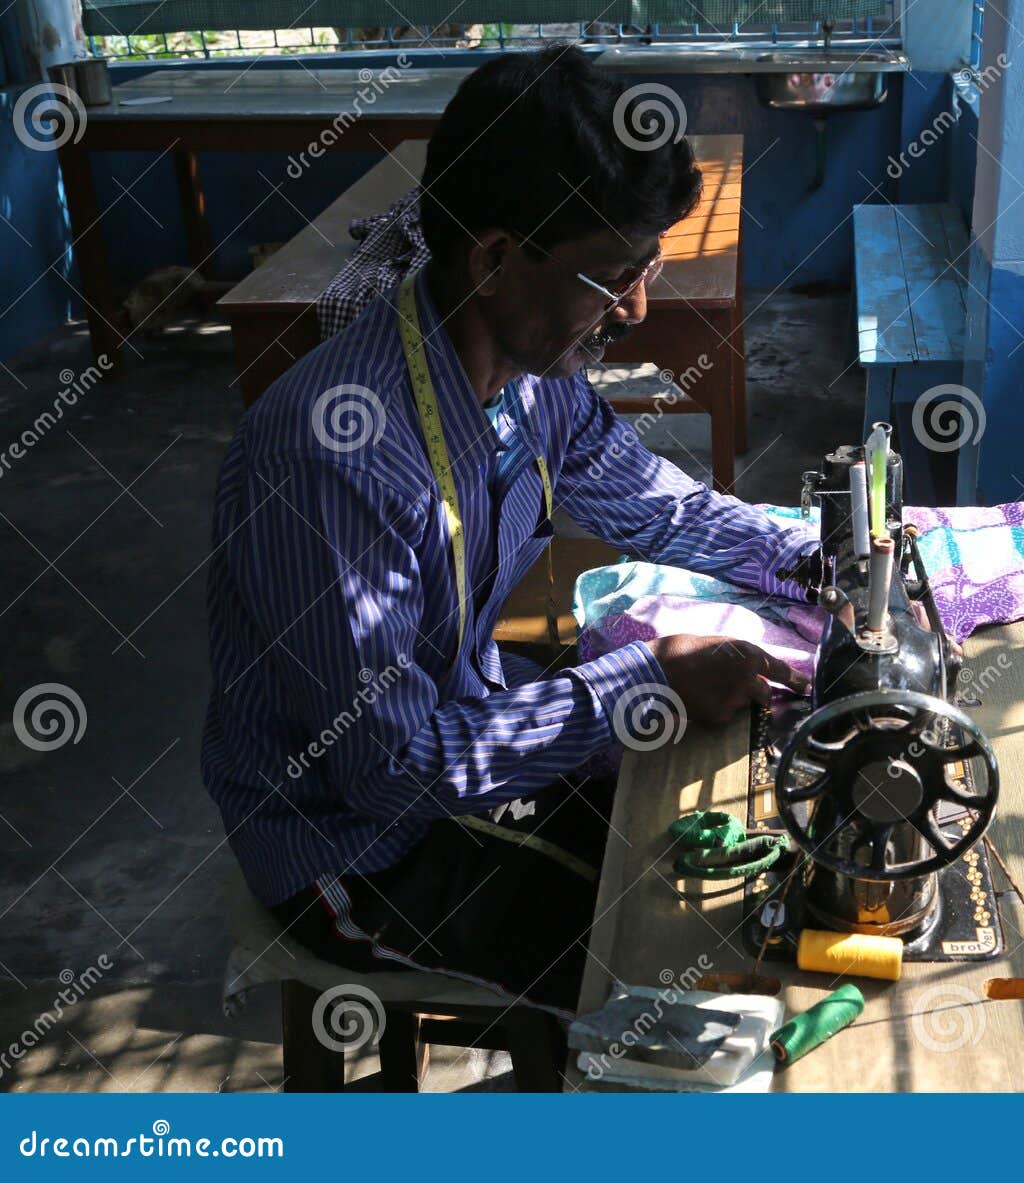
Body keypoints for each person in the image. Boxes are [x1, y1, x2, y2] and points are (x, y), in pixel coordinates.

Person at [201, 46, 818, 1018]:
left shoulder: (529, 380)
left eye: (647, 268)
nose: (639, 308)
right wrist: (645, 677)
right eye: (616, 277)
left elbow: (648, 497)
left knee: (734, 846)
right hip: (356, 848)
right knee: (694, 962)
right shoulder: (338, 459)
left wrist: (809, 558)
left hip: (459, 730)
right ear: (493, 257)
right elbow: (386, 769)